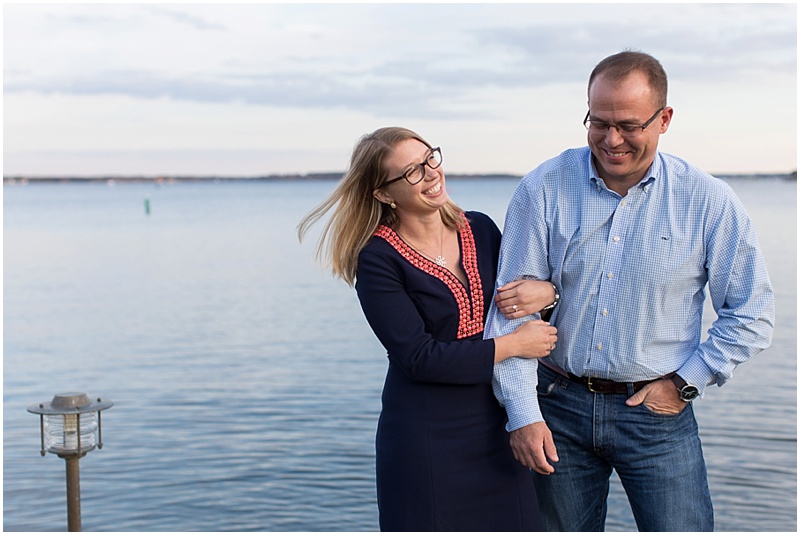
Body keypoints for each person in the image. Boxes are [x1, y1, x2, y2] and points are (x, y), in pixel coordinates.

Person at [485, 50, 775, 531]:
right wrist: (521, 413)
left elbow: (752, 313)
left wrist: (686, 382)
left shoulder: (708, 200)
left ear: (664, 119)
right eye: (598, 122)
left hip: (658, 414)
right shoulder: (542, 188)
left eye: (628, 125)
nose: (611, 139)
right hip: (557, 405)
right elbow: (511, 313)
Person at [298, 126, 558, 531]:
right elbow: (418, 358)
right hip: (426, 439)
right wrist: (512, 346)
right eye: (411, 173)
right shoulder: (378, 260)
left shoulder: (483, 229)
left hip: (500, 426)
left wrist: (547, 293)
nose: (431, 174)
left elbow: (519, 303)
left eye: (429, 159)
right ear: (384, 193)